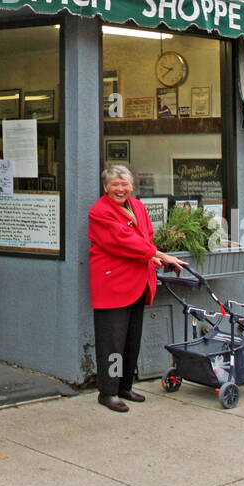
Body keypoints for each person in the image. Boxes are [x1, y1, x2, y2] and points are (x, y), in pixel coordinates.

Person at [89, 164, 187, 413]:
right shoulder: (99, 211)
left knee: (131, 339)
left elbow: (145, 237)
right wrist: (158, 254)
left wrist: (151, 256)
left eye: (124, 184)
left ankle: (125, 386)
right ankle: (108, 392)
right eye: (114, 185)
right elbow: (122, 240)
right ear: (105, 188)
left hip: (137, 282)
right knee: (112, 342)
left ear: (131, 186)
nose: (120, 189)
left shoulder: (138, 206)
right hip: (113, 284)